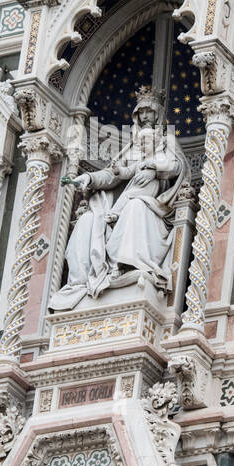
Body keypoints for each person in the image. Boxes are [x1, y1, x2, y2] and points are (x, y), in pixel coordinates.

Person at [49, 87, 189, 310]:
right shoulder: (132, 146)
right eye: (140, 112)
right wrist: (89, 177)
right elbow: (115, 173)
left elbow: (178, 166)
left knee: (134, 205)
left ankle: (127, 266)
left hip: (156, 205)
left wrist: (154, 168)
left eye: (149, 112)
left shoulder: (166, 141)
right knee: (86, 221)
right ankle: (81, 282)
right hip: (128, 199)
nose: (144, 117)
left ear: (158, 114)